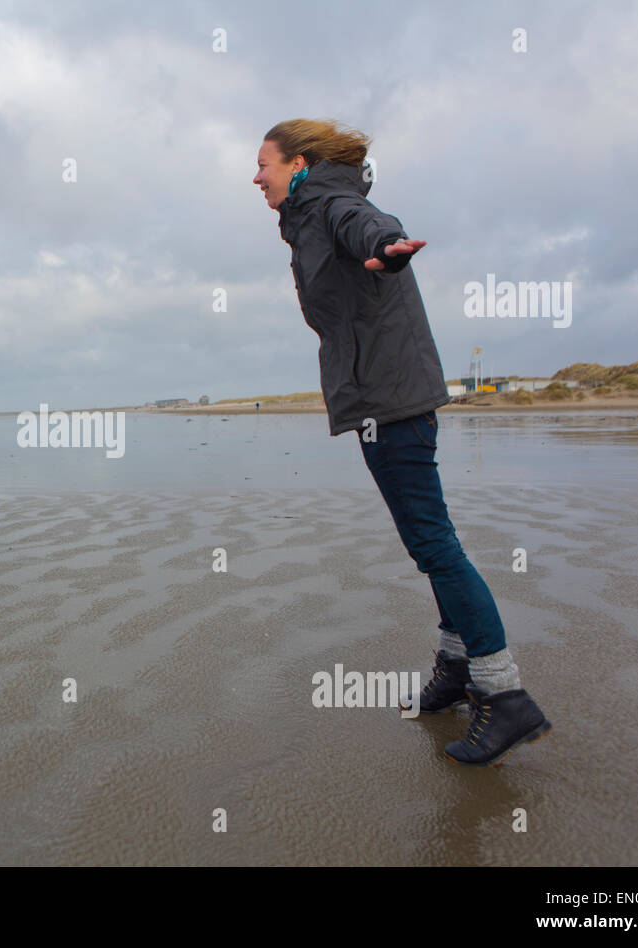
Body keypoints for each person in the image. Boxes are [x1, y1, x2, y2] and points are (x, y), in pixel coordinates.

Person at [254, 118, 551, 766]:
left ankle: (504, 696)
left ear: (299, 163)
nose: (257, 176)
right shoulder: (312, 214)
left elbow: (369, 223)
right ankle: (453, 668)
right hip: (387, 397)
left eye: (265, 164)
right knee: (430, 545)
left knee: (435, 546)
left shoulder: (334, 204)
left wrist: (386, 246)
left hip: (391, 400)